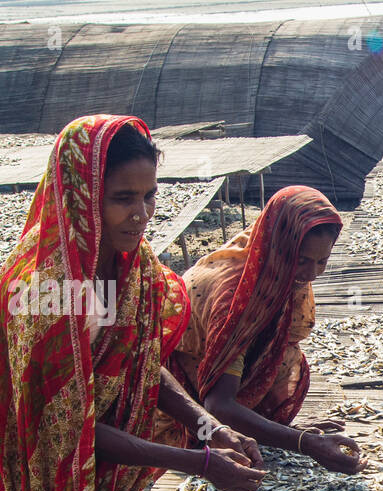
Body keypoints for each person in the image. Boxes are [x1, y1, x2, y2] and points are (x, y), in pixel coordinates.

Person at [0, 115, 265, 491]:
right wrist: (198, 462)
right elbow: (65, 430)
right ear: (81, 196)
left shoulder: (135, 266)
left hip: (105, 465)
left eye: (149, 196)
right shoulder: (46, 289)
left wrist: (209, 428)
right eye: (122, 198)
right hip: (39, 472)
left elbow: (142, 365)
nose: (141, 214)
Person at [155, 186, 367, 474]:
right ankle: (218, 433)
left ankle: (258, 425)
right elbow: (218, 405)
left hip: (225, 373)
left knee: (286, 354)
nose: (312, 274)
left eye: (322, 261)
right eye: (302, 260)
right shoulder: (235, 295)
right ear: (279, 245)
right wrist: (304, 443)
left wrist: (291, 435)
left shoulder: (275, 268)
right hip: (184, 395)